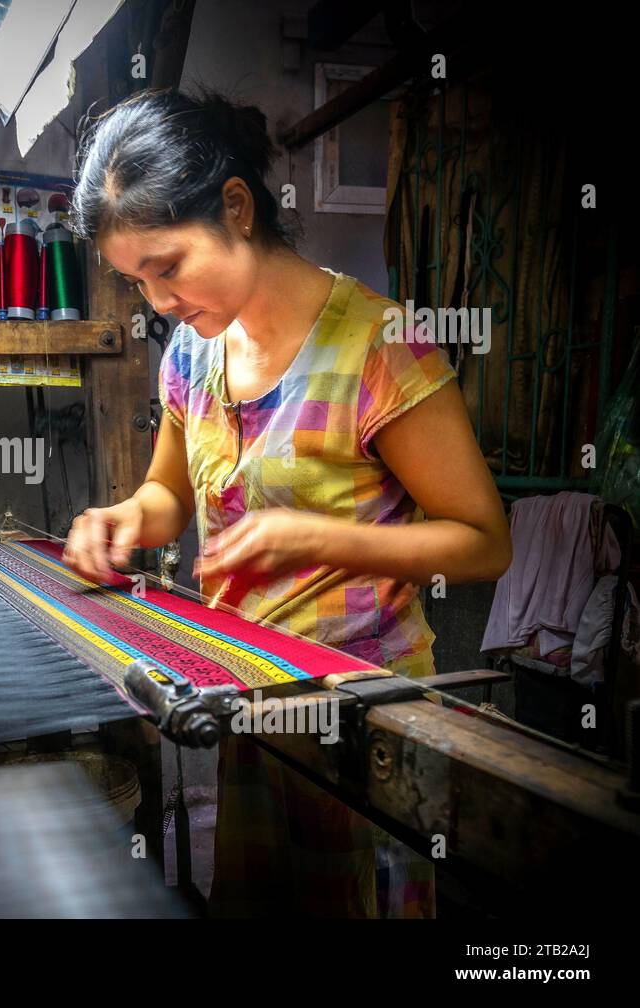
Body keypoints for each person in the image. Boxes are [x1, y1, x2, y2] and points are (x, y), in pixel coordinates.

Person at [62, 86, 512, 917]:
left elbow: (483, 541)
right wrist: (127, 516)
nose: (158, 301)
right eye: (136, 281)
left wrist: (316, 537)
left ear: (236, 207)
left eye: (168, 266)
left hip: (366, 720)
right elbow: (170, 493)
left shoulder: (377, 345)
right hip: (253, 702)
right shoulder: (193, 358)